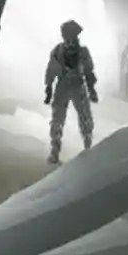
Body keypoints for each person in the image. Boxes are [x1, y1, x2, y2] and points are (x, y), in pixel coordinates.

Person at [44, 20, 97, 165]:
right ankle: (55, 150)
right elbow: (51, 70)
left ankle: (88, 145)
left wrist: (92, 89)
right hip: (63, 85)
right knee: (57, 119)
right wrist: (48, 87)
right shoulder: (58, 51)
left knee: (84, 116)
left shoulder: (82, 52)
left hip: (77, 85)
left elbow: (88, 72)